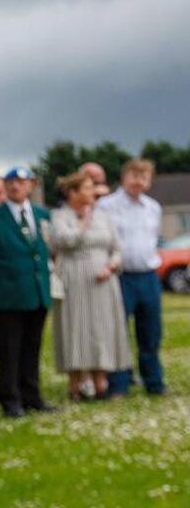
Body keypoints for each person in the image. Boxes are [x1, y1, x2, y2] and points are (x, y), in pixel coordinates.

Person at [50, 173, 131, 401]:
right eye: (86, 188)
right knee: (76, 327)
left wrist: (112, 265)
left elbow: (116, 247)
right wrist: (83, 222)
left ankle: (101, 381)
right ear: (72, 193)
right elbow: (64, 241)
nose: (92, 193)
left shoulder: (104, 217)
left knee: (101, 328)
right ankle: (78, 383)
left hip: (103, 282)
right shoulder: (60, 216)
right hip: (74, 280)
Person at [0, 167, 54, 417]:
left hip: (37, 291)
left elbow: (46, 248)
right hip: (9, 294)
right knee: (10, 350)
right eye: (11, 182)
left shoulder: (42, 215)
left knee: (32, 348)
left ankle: (31, 395)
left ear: (31, 185)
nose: (16, 187)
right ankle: (9, 398)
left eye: (21, 182)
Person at [98, 159, 167, 396]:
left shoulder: (153, 207)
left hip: (148, 275)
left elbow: (154, 239)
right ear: (124, 176)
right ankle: (119, 383)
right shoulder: (107, 206)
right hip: (121, 276)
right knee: (118, 332)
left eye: (144, 177)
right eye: (134, 175)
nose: (138, 181)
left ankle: (154, 381)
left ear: (149, 181)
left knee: (150, 331)